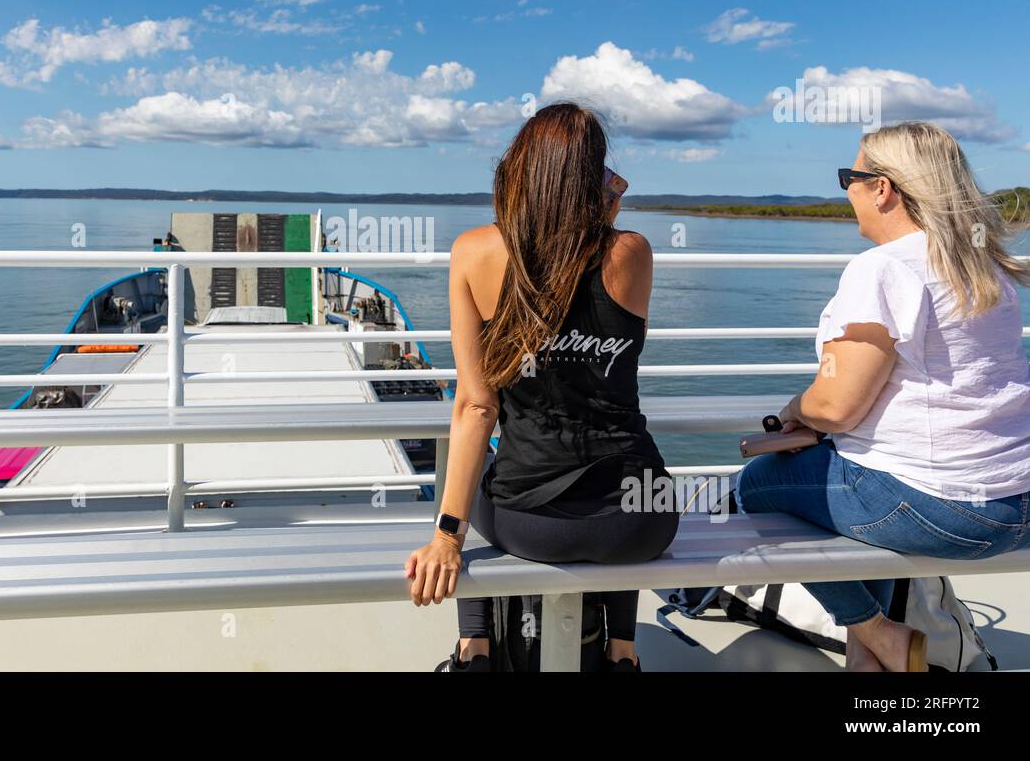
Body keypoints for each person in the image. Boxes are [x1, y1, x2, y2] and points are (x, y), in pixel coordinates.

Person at [737, 121, 1030, 672]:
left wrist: (796, 411)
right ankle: (867, 661)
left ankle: (876, 631)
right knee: (853, 480)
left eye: (850, 176)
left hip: (949, 510)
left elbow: (838, 407)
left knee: (759, 484)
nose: (845, 189)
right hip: (1019, 502)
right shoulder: (984, 265)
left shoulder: (884, 267)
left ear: (883, 188)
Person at [404, 102, 679, 672]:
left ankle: (474, 645)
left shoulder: (473, 252)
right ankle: (623, 651)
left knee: (476, 472)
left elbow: (477, 406)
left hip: (534, 525)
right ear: (594, 181)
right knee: (622, 463)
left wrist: (447, 537)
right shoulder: (633, 253)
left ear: (518, 173)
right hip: (642, 518)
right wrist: (609, 202)